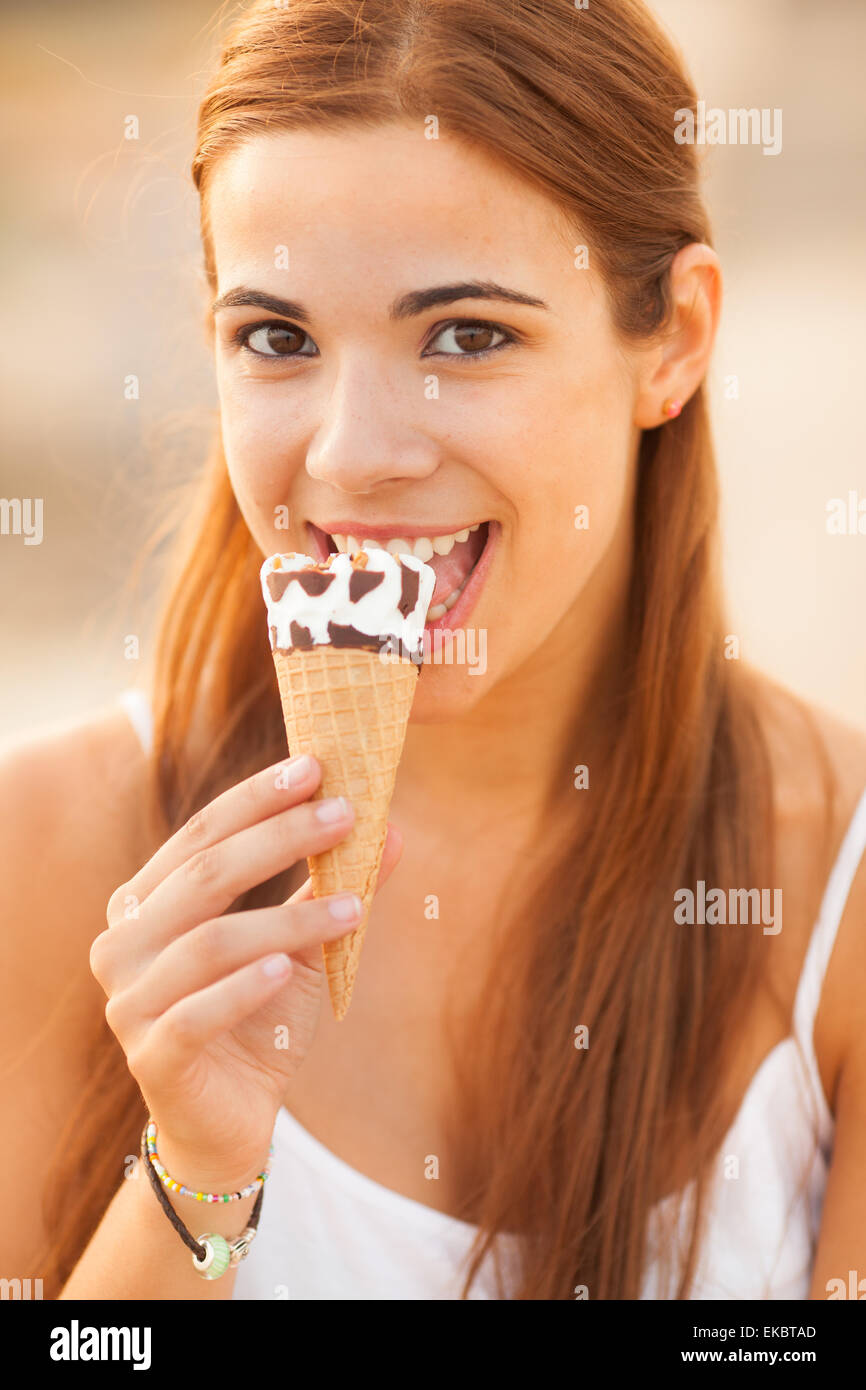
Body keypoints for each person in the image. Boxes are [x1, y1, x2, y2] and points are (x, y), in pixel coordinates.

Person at [2, 0, 864, 1301]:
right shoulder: (50, 847)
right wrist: (196, 1172)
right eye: (276, 338)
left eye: (466, 335)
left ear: (673, 339)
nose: (350, 454)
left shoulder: (838, 888)